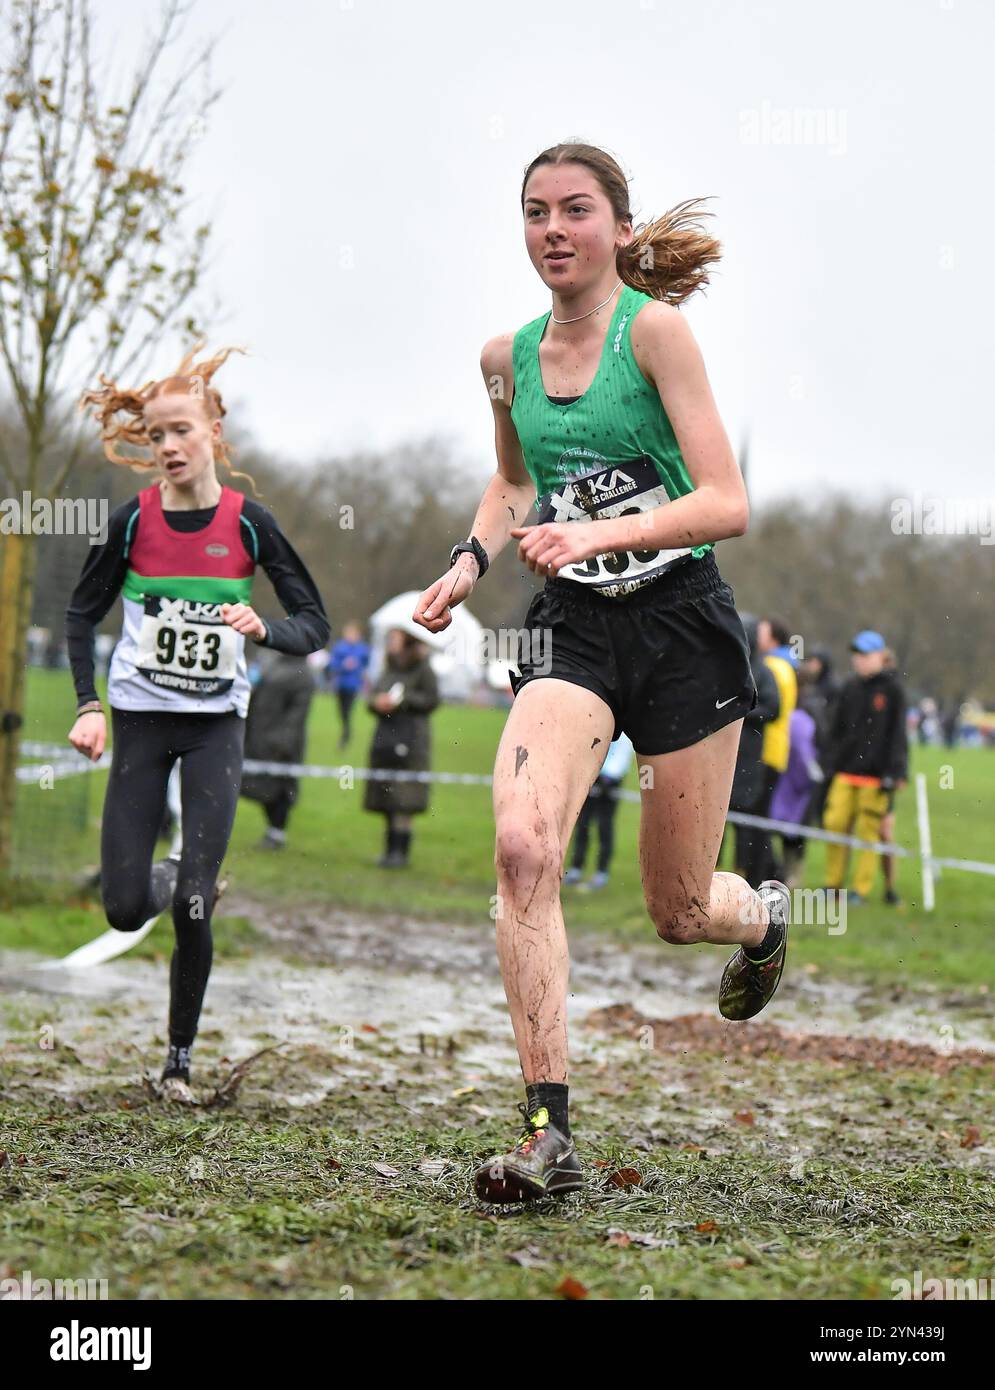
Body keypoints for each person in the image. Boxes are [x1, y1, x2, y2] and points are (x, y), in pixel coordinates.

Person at [414, 141, 789, 1204]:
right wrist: (467, 562)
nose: (551, 230)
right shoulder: (505, 358)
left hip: (681, 625)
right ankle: (548, 1131)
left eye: (574, 210)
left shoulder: (655, 332)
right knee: (523, 844)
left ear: (617, 230)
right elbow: (510, 480)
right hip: (572, 630)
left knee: (676, 909)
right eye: (534, 212)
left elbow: (725, 501)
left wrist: (595, 535)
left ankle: (761, 920)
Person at [65, 345, 330, 1103]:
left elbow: (314, 622)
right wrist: (88, 704)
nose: (168, 447)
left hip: (215, 726)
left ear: (215, 428)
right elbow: (81, 613)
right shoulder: (130, 523)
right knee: (123, 909)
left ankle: (177, 1061)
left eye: (181, 430)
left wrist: (265, 630)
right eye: (154, 436)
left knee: (189, 904)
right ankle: (175, 878)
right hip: (143, 724)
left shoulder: (251, 525)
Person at [822, 630, 908, 905]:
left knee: (868, 834)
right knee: (834, 824)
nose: (858, 660)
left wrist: (895, 773)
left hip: (876, 777)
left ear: (881, 657)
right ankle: (832, 885)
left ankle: (859, 890)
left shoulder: (893, 690)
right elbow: (836, 729)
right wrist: (829, 762)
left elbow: (898, 735)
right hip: (845, 772)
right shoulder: (849, 688)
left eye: (865, 655)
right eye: (856, 655)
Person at [363, 627, 439, 868]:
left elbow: (432, 700)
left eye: (394, 637)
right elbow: (372, 696)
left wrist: (402, 701)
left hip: (411, 740)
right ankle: (388, 851)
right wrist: (378, 702)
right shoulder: (388, 667)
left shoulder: (423, 669)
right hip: (385, 738)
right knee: (386, 796)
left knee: (404, 799)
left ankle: (400, 853)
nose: (390, 642)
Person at [240, 648, 316, 850]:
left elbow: (297, 715)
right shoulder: (274, 663)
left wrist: (284, 743)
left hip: (280, 743)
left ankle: (277, 833)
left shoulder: (304, 674)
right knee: (258, 786)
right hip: (259, 735)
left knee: (279, 789)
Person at [727, 613, 781, 886]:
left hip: (748, 759)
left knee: (745, 823)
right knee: (714, 821)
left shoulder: (762, 671)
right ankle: (707, 878)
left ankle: (743, 877)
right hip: (721, 758)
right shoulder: (725, 665)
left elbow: (774, 708)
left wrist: (741, 711)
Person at [752, 616, 798, 884]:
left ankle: (769, 875)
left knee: (758, 819)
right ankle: (772, 874)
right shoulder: (785, 666)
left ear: (774, 638)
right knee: (759, 818)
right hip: (775, 750)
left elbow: (770, 708)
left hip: (767, 750)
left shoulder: (774, 667)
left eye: (761, 631)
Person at [769, 665, 823, 888]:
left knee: (792, 829)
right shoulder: (803, 707)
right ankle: (788, 872)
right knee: (789, 828)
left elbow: (807, 746)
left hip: (794, 777)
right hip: (792, 777)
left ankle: (791, 873)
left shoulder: (806, 709)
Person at [563, 732, 634, 889]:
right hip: (591, 776)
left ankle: (601, 872)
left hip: (610, 781)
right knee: (583, 824)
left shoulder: (624, 731)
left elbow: (622, 754)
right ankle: (576, 869)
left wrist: (607, 778)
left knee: (604, 825)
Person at [328, 621, 371, 747]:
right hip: (341, 684)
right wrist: (344, 665)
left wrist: (362, 674)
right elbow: (332, 665)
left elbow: (367, 663)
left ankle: (346, 734)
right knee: (341, 711)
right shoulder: (339, 647)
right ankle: (346, 731)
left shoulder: (362, 648)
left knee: (348, 710)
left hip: (353, 685)